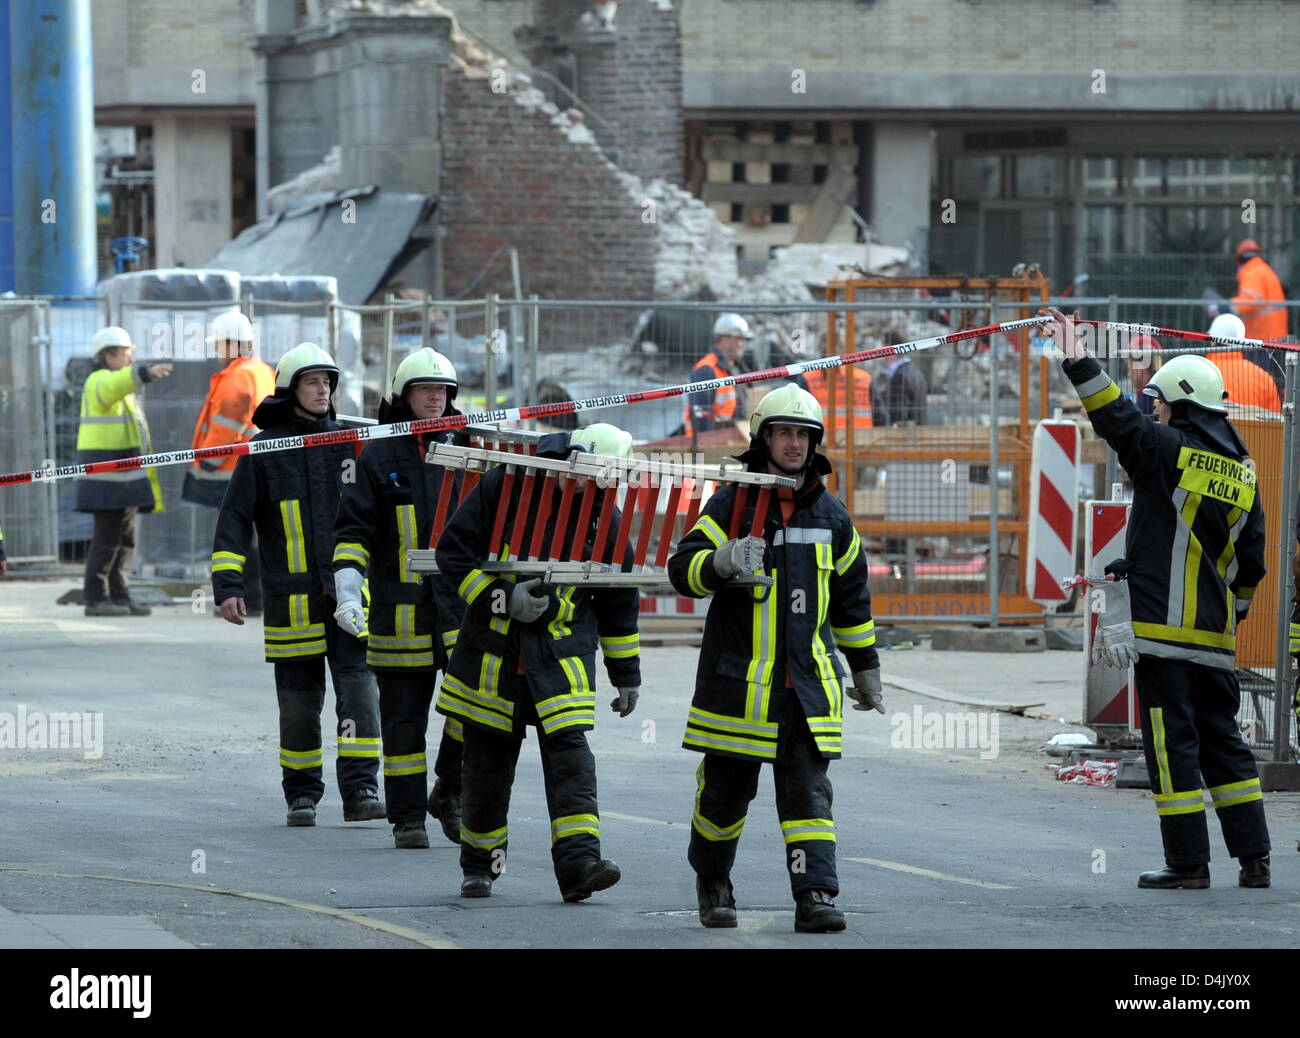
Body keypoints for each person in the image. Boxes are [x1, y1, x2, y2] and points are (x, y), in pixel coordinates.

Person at [1045, 306, 1271, 889]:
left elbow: (1116, 418)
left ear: (1181, 407)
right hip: (1216, 645)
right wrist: (1231, 617)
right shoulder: (1246, 475)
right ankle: (1255, 861)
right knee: (1226, 748)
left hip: (1165, 641)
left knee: (1173, 748)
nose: (1157, 413)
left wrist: (1075, 357)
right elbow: (1251, 565)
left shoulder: (1166, 450)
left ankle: (1188, 864)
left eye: (1163, 404)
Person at [668, 384, 883, 933]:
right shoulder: (731, 503)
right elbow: (682, 570)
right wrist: (720, 559)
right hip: (738, 689)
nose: (794, 443)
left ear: (815, 444)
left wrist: (866, 669)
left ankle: (815, 895)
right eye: (784, 432)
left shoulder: (833, 518)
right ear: (763, 438)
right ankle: (713, 883)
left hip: (806, 689)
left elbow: (852, 601)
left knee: (809, 799)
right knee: (723, 799)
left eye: (803, 434)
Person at [433, 423, 642, 902]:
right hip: (493, 660)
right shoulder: (506, 484)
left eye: (605, 482)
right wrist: (503, 599)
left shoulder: (602, 516)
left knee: (573, 768)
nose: (594, 489)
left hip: (560, 665)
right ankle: (481, 866)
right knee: (485, 768)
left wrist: (626, 674)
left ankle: (580, 866)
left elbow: (618, 600)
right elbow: (452, 554)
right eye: (589, 477)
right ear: (570, 459)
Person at [211, 342, 385, 828]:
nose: (322, 389)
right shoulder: (263, 451)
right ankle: (302, 795)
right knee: (299, 703)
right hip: (291, 602)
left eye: (328, 381)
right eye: (312, 381)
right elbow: (234, 520)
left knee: (360, 693)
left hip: (348, 596)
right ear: (290, 391)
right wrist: (227, 585)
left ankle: (361, 789)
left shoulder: (352, 442)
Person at [333, 348, 471, 850]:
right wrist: (349, 589)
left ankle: (450, 792)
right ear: (404, 395)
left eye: (443, 390)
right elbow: (352, 530)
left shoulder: (469, 446)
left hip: (461, 610)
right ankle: (408, 817)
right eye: (424, 389)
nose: (435, 397)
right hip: (399, 613)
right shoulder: (380, 455)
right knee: (403, 721)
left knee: (469, 712)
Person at [183, 311, 277, 614]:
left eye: (219, 343)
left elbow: (225, 425)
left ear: (233, 343)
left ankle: (242, 596)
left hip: (228, 468)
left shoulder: (235, 376)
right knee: (256, 534)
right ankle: (257, 596)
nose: (215, 350)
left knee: (235, 536)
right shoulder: (261, 370)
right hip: (256, 463)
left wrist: (208, 461)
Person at [75, 327, 173, 617]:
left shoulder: (121, 385)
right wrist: (143, 372)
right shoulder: (98, 380)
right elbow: (113, 387)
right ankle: (96, 599)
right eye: (126, 354)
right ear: (108, 356)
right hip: (105, 479)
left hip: (124, 476)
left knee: (125, 538)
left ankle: (119, 594)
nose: (131, 360)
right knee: (107, 538)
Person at [682, 313, 753, 437]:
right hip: (709, 442)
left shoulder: (734, 368)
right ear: (724, 339)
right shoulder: (706, 369)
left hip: (729, 437)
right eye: (739, 338)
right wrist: (708, 443)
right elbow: (700, 413)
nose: (743, 344)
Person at [1204, 313, 1281, 414]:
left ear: (1213, 341)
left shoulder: (1201, 371)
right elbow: (1275, 420)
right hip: (1252, 430)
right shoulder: (1263, 377)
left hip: (1210, 429)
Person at [1230, 238, 1288, 343]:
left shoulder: (1251, 272)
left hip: (1260, 337)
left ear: (1240, 259)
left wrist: (1228, 306)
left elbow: (1251, 300)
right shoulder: (1265, 270)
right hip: (1275, 337)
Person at [1126, 334, 1162, 417]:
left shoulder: (1148, 397)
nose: (1128, 374)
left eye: (1129, 369)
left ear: (1140, 368)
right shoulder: (1158, 393)